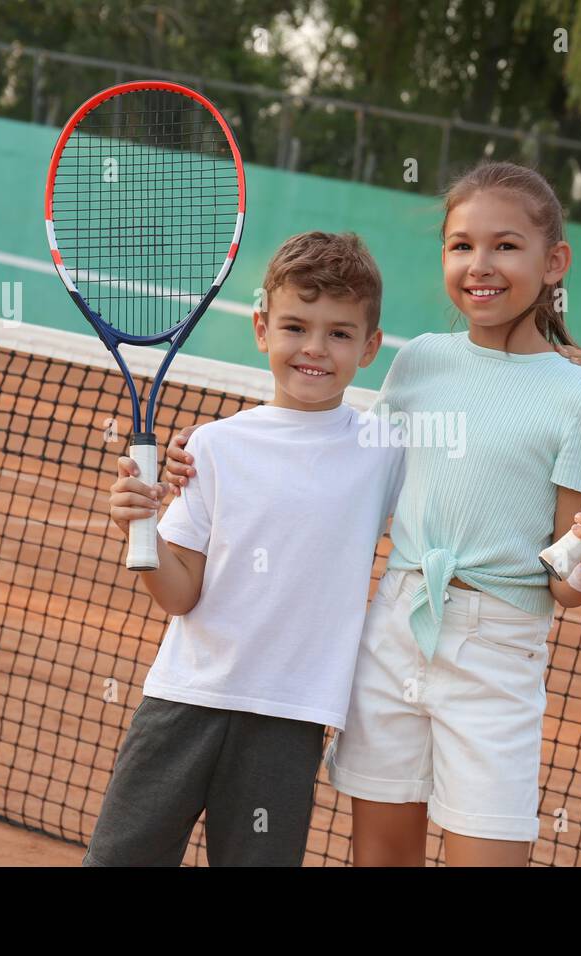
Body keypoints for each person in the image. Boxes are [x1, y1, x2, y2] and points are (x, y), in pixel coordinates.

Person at [166, 161, 581, 866]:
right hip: (394, 633)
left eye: (506, 246)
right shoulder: (418, 361)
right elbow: (347, 462)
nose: (480, 265)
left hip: (498, 655)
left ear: (555, 262)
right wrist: (207, 452)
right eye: (461, 245)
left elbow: (563, 584)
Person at [83, 231, 404, 866]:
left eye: (339, 334)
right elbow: (180, 594)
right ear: (261, 329)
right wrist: (137, 531)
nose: (314, 349)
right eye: (295, 326)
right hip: (182, 702)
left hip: (289, 721)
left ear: (369, 348)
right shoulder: (211, 447)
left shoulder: (385, 448)